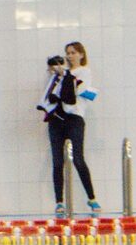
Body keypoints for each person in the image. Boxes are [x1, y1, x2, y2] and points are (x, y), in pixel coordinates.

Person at [38, 42, 100, 214]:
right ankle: (59, 201)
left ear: (81, 54)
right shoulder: (59, 74)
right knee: (57, 160)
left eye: (73, 52)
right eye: (68, 53)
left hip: (74, 118)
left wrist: (64, 74)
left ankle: (92, 198)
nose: (70, 56)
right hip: (57, 119)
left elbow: (77, 90)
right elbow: (50, 95)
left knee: (78, 158)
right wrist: (54, 75)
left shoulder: (84, 72)